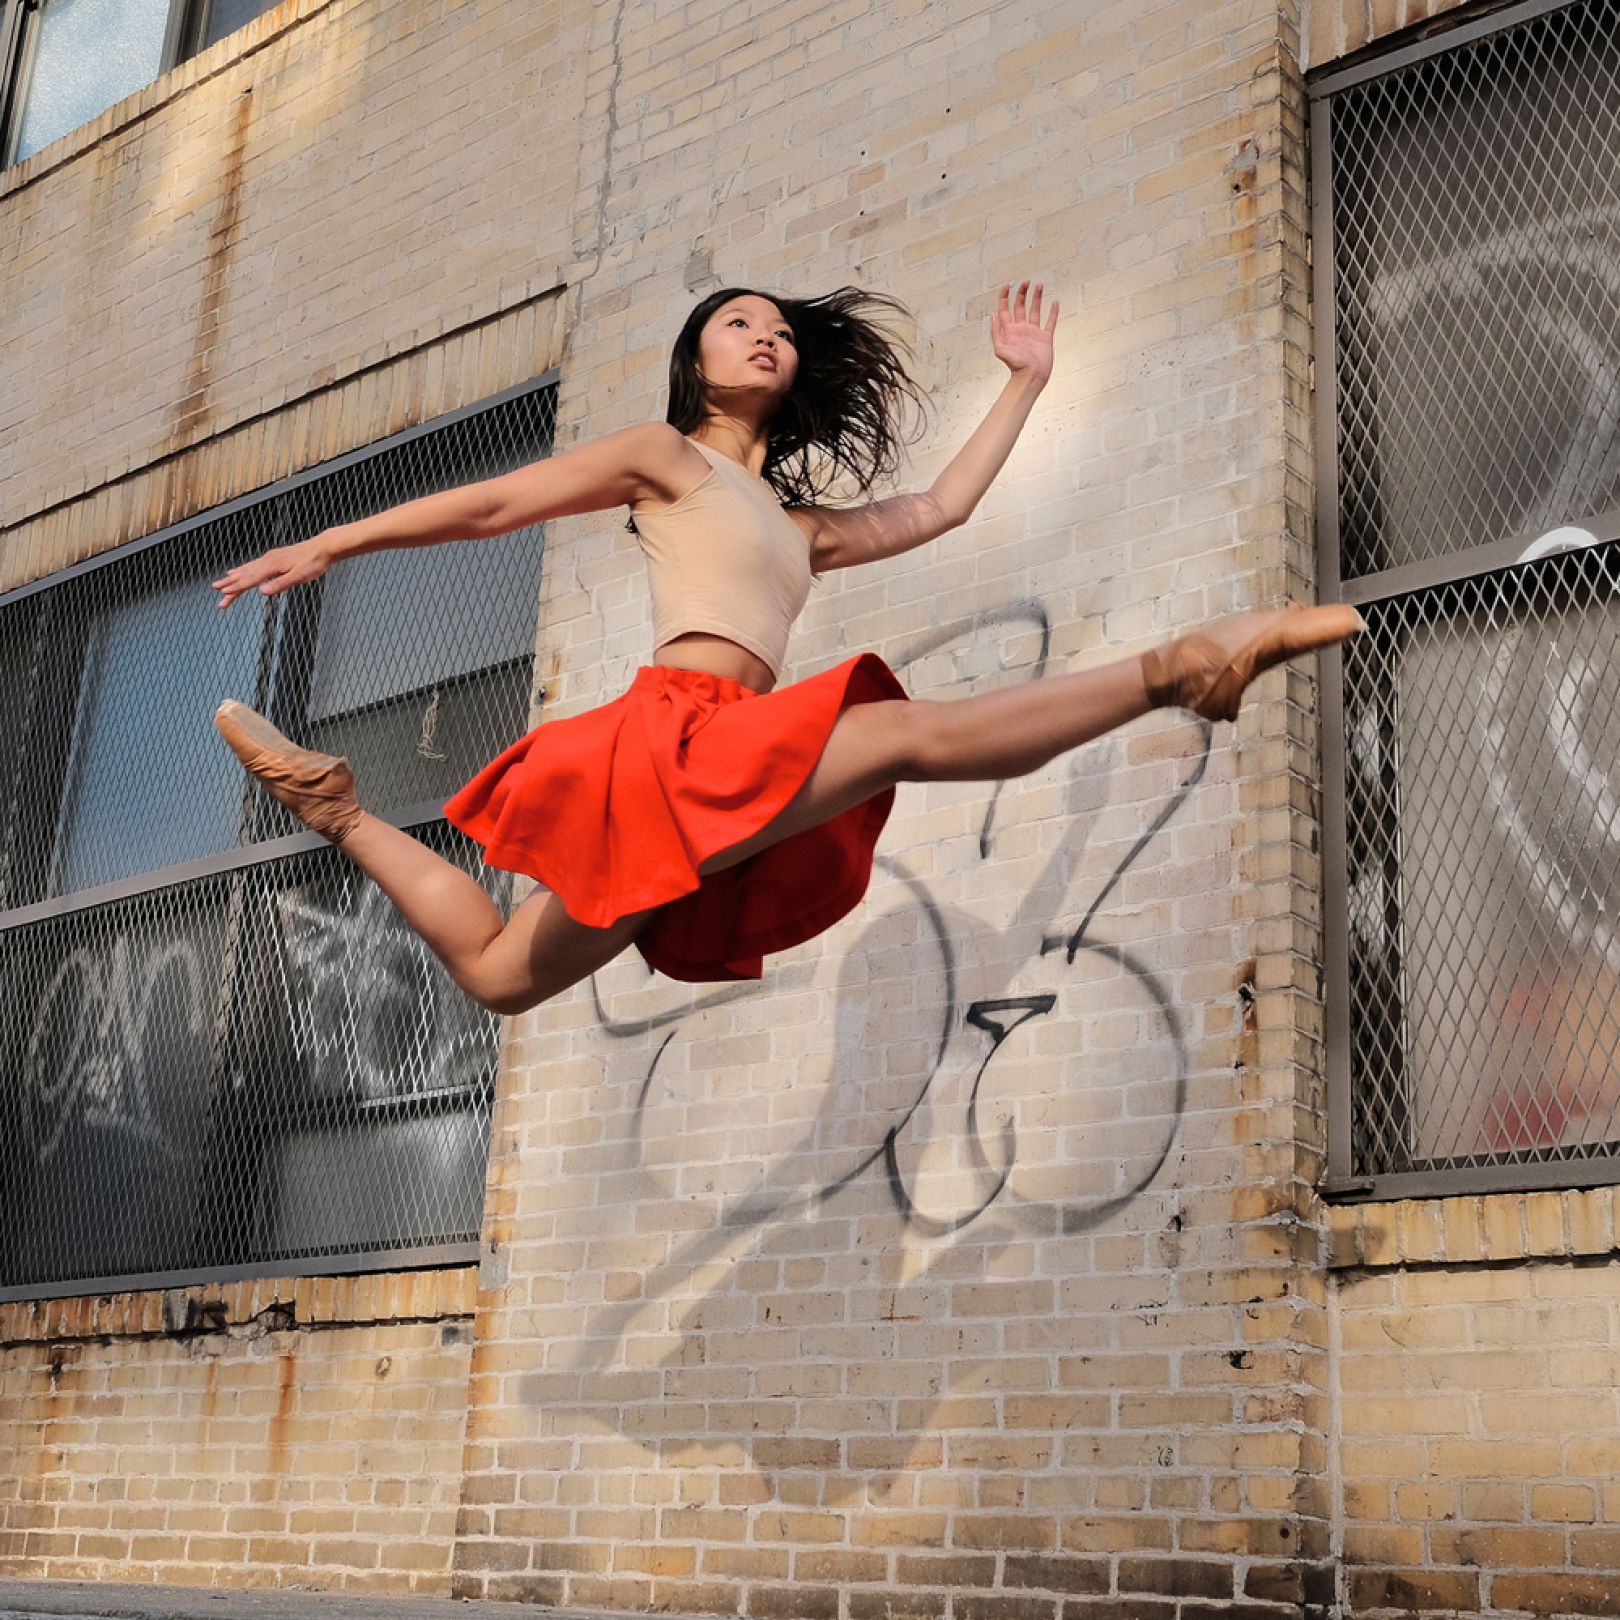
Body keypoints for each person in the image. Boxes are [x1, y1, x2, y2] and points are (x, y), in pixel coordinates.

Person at [212, 281, 1360, 1014]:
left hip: (729, 753)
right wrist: (333, 540)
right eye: (736, 323)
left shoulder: (803, 530)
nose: (764, 337)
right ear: (694, 361)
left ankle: (1178, 667)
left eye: (776, 329)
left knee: (889, 738)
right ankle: (341, 812)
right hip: (670, 743)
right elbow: (496, 507)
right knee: (503, 976)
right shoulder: (664, 459)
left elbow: (940, 509)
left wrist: (1024, 382)